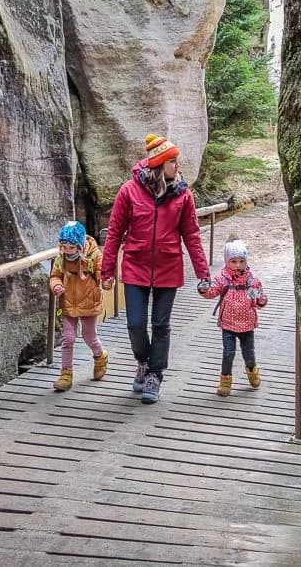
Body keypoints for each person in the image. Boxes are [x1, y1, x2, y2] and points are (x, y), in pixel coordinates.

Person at [101, 133, 211, 404]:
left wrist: (203, 275)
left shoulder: (183, 195)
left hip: (168, 267)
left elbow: (193, 236)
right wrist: (106, 272)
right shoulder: (129, 191)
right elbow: (114, 232)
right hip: (136, 265)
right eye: (174, 161)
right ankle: (143, 361)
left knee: (161, 324)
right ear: (160, 163)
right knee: (135, 323)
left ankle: (154, 375)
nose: (178, 166)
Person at [204, 236, 267, 396]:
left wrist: (261, 299)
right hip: (228, 323)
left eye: (241, 261)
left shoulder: (251, 281)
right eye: (233, 261)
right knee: (228, 353)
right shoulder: (222, 278)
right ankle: (225, 380)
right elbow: (212, 292)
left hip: (247, 324)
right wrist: (204, 289)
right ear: (227, 261)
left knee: (248, 354)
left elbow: (257, 302)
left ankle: (252, 370)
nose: (238, 265)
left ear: (245, 261)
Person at [49, 220, 108, 391]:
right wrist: (56, 285)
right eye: (64, 247)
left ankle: (100, 356)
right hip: (67, 302)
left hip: (88, 300)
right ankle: (66, 374)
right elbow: (55, 276)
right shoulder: (61, 258)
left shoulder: (94, 256)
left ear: (80, 245)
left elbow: (102, 273)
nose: (68, 251)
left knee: (89, 336)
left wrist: (105, 281)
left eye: (71, 248)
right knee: (68, 338)